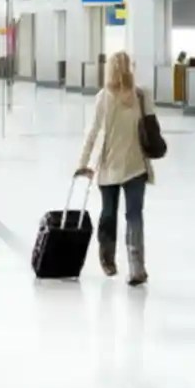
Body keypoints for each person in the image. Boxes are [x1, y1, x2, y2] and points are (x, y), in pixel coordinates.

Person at [75, 51, 155, 286]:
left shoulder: (133, 95)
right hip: (126, 167)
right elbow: (150, 125)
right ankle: (132, 265)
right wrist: (83, 163)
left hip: (119, 167)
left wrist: (83, 163)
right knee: (129, 215)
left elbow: (92, 132)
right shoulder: (131, 95)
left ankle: (113, 261)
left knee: (114, 214)